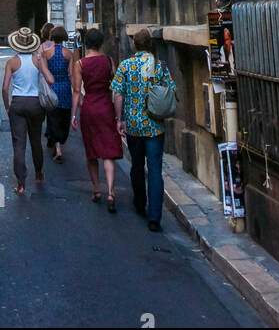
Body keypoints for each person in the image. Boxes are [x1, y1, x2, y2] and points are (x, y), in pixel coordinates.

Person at [111, 27, 177, 231]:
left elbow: (118, 94)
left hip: (134, 126)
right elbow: (172, 90)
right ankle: (155, 217)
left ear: (134, 44)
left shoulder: (126, 66)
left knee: (137, 166)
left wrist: (119, 119)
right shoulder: (160, 65)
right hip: (155, 125)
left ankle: (140, 204)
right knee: (156, 169)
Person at [71, 28, 123, 211]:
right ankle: (111, 191)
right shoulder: (109, 61)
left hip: (90, 107)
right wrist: (118, 116)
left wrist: (74, 115)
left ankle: (96, 189)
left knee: (92, 150)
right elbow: (116, 88)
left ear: (86, 44)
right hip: (106, 107)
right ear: (101, 43)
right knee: (108, 151)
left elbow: (77, 90)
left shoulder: (80, 64)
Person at [2, 27, 54, 195]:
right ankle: (38, 174)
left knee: (19, 144)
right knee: (35, 140)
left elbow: (4, 88)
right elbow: (50, 80)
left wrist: (7, 106)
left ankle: (21, 184)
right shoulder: (37, 60)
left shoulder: (12, 62)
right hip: (35, 104)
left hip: (17, 103)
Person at [41, 25, 74, 162]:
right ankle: (59, 141)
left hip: (52, 87)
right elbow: (71, 73)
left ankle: (57, 145)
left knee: (53, 116)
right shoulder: (69, 54)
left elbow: (45, 72)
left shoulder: (46, 53)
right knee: (64, 116)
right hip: (65, 87)